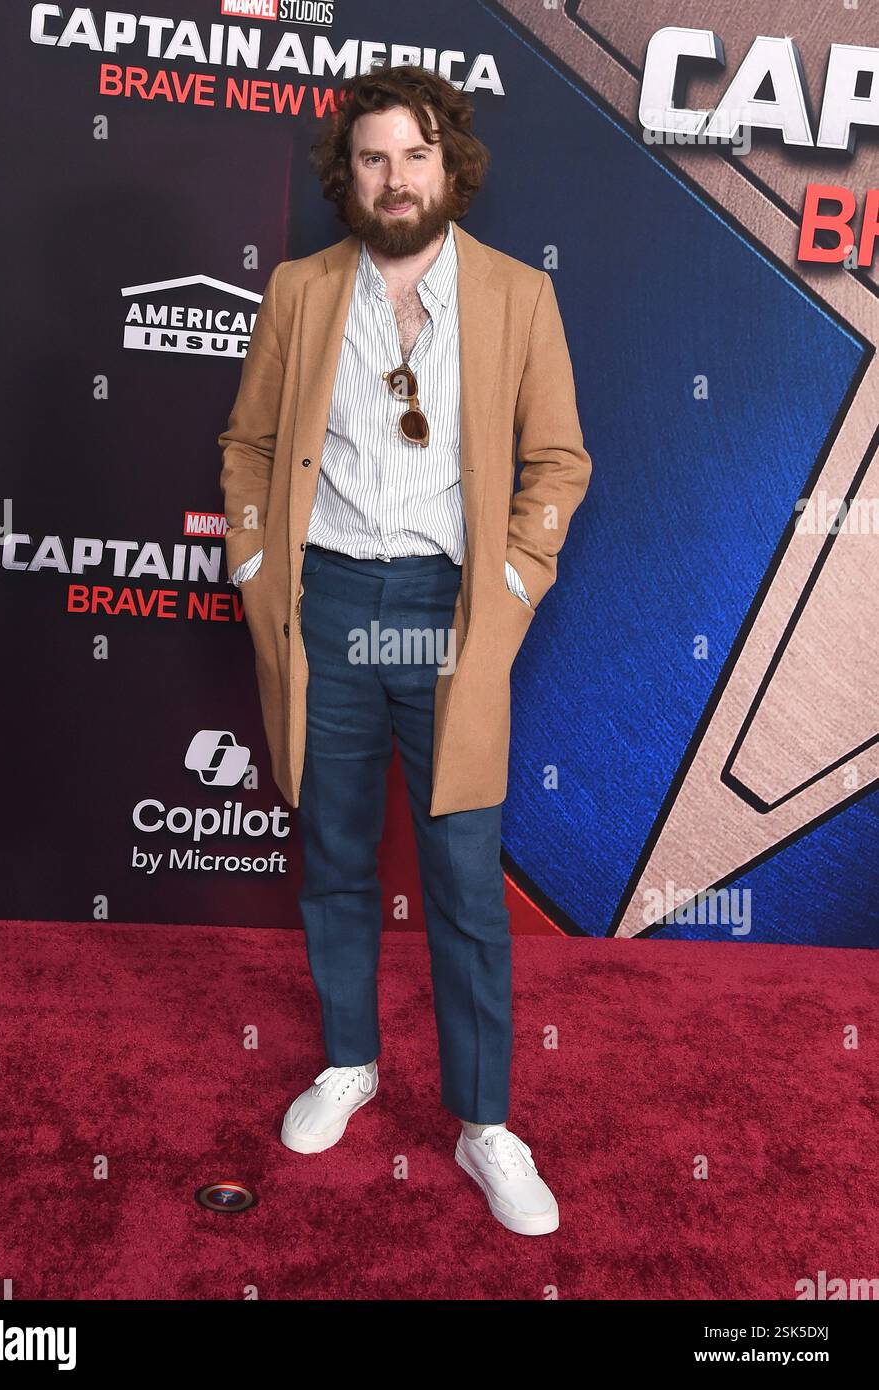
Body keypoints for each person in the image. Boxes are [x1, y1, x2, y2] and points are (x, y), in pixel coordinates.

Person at [218, 64, 592, 1236]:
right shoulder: (300, 290)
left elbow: (558, 463)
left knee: (466, 881)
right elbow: (248, 447)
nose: (396, 178)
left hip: (449, 611)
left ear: (449, 165)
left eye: (415, 156)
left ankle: (486, 1122)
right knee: (332, 851)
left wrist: (517, 579)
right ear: (351, 173)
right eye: (374, 158)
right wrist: (256, 568)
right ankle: (348, 1062)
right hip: (325, 598)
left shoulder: (519, 298)